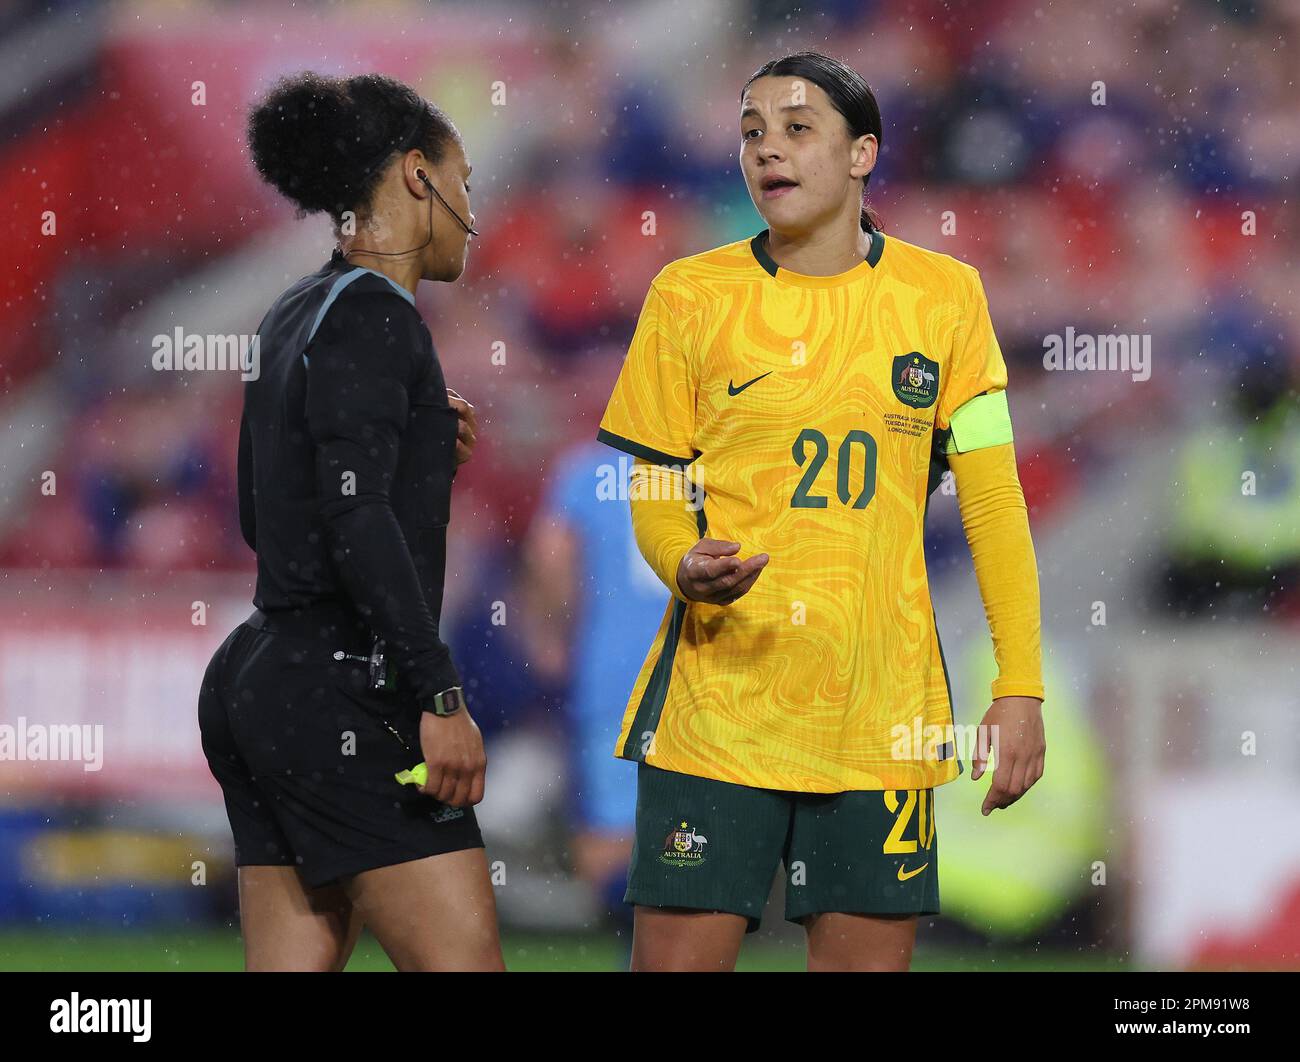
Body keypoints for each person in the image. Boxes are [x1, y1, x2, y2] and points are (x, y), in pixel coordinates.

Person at [595, 52, 1047, 971]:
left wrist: (1020, 685)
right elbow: (651, 486)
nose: (769, 150)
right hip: (718, 709)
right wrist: (680, 561)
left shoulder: (947, 297)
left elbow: (993, 499)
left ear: (861, 154)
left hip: (881, 713)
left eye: (799, 129)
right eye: (752, 132)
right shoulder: (687, 296)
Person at [197, 72, 503, 971]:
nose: (471, 210)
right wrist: (438, 695)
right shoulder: (379, 314)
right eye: (465, 180)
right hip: (347, 686)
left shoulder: (296, 307)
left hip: (260, 680)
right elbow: (353, 515)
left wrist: (415, 462)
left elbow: (268, 513)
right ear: (418, 175)